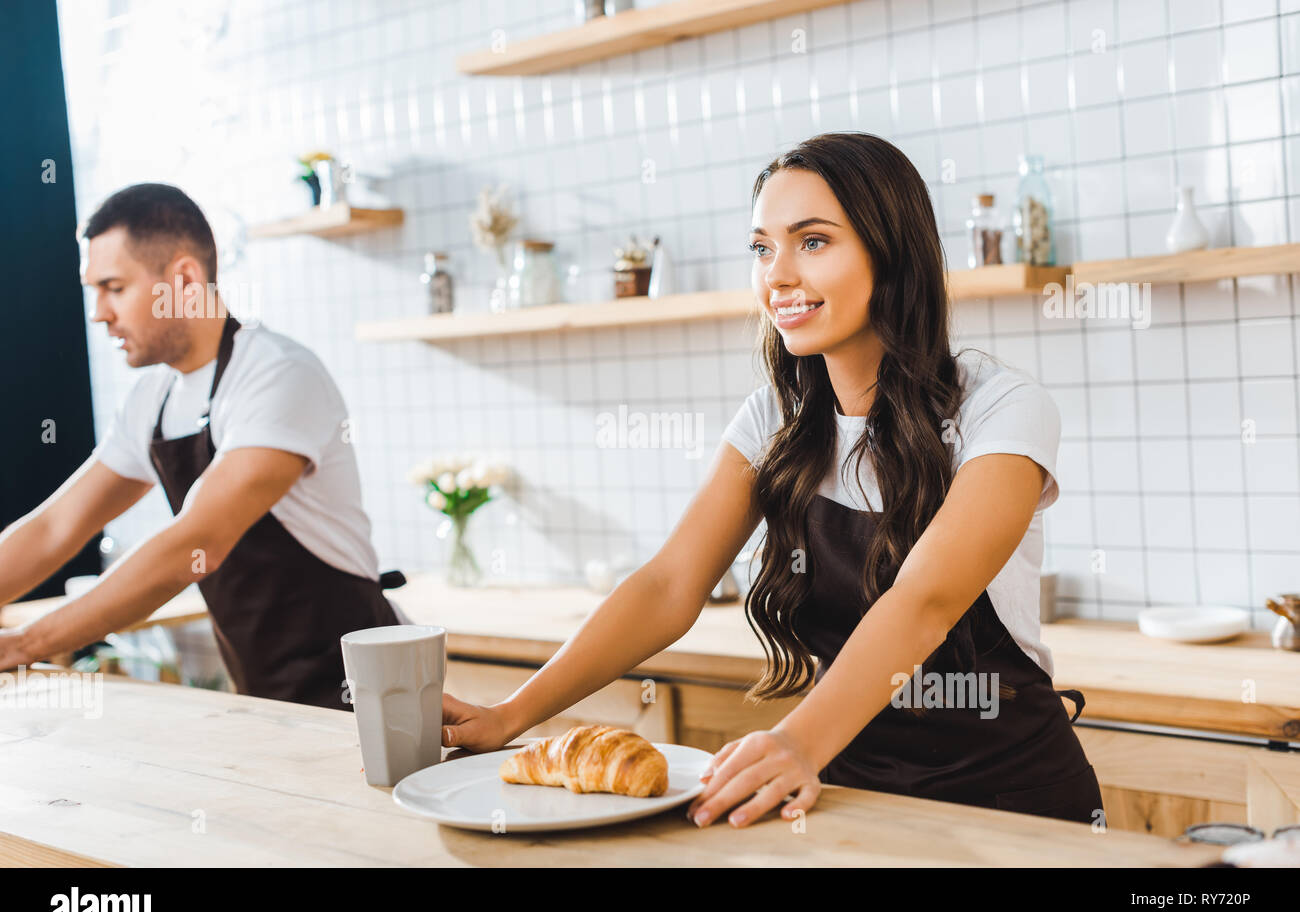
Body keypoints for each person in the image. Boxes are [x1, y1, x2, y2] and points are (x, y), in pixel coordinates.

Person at [439, 132, 1103, 828]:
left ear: (891, 250)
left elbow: (925, 601)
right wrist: (509, 714)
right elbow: (670, 583)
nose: (776, 275)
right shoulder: (776, 421)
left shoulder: (1002, 411)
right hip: (853, 798)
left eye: (812, 241)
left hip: (1013, 806)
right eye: (762, 247)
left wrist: (795, 740)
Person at [0, 183, 405, 710]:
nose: (98, 313)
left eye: (114, 287)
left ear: (184, 279)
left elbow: (199, 542)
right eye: (93, 290)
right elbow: (56, 527)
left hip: (368, 696)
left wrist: (24, 644)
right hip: (266, 702)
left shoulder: (277, 374)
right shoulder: (154, 397)